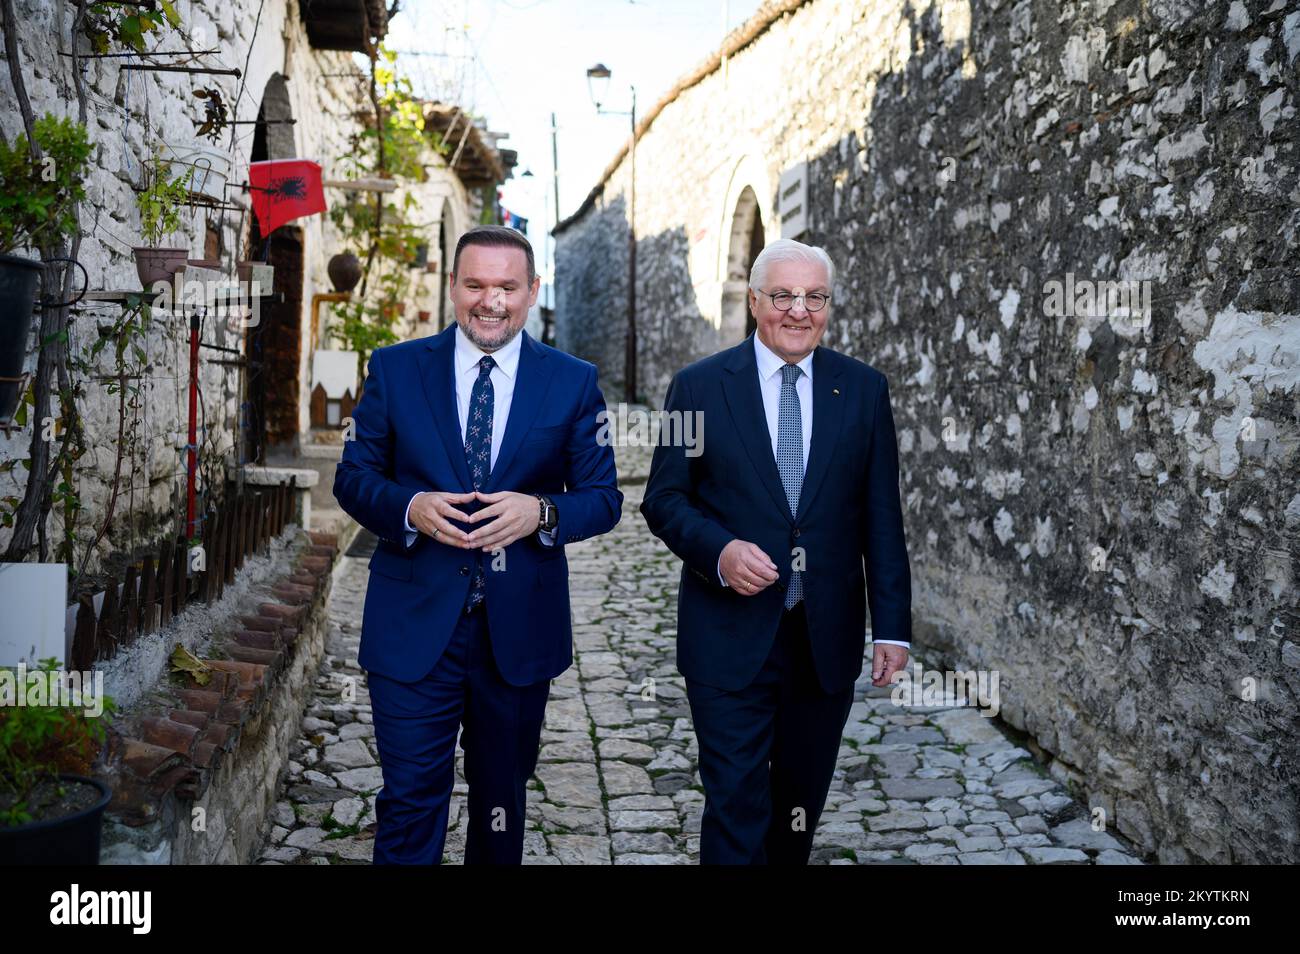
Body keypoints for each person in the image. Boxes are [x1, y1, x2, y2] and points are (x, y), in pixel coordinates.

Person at [334, 225, 622, 864]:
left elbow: (604, 498)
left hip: (518, 633)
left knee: (501, 806)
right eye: (476, 284)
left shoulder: (573, 382)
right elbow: (353, 478)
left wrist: (540, 511)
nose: (490, 301)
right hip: (413, 627)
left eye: (507, 287)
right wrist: (408, 506)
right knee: (410, 799)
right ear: (453, 287)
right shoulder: (395, 368)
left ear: (531, 292)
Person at [640, 237, 912, 864]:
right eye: (783, 296)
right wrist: (721, 551)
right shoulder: (700, 386)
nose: (799, 310)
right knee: (735, 805)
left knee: (797, 811)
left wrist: (891, 625)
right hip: (727, 637)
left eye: (814, 297)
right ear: (756, 300)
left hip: (825, 642)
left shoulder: (864, 390)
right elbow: (664, 499)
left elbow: (881, 515)